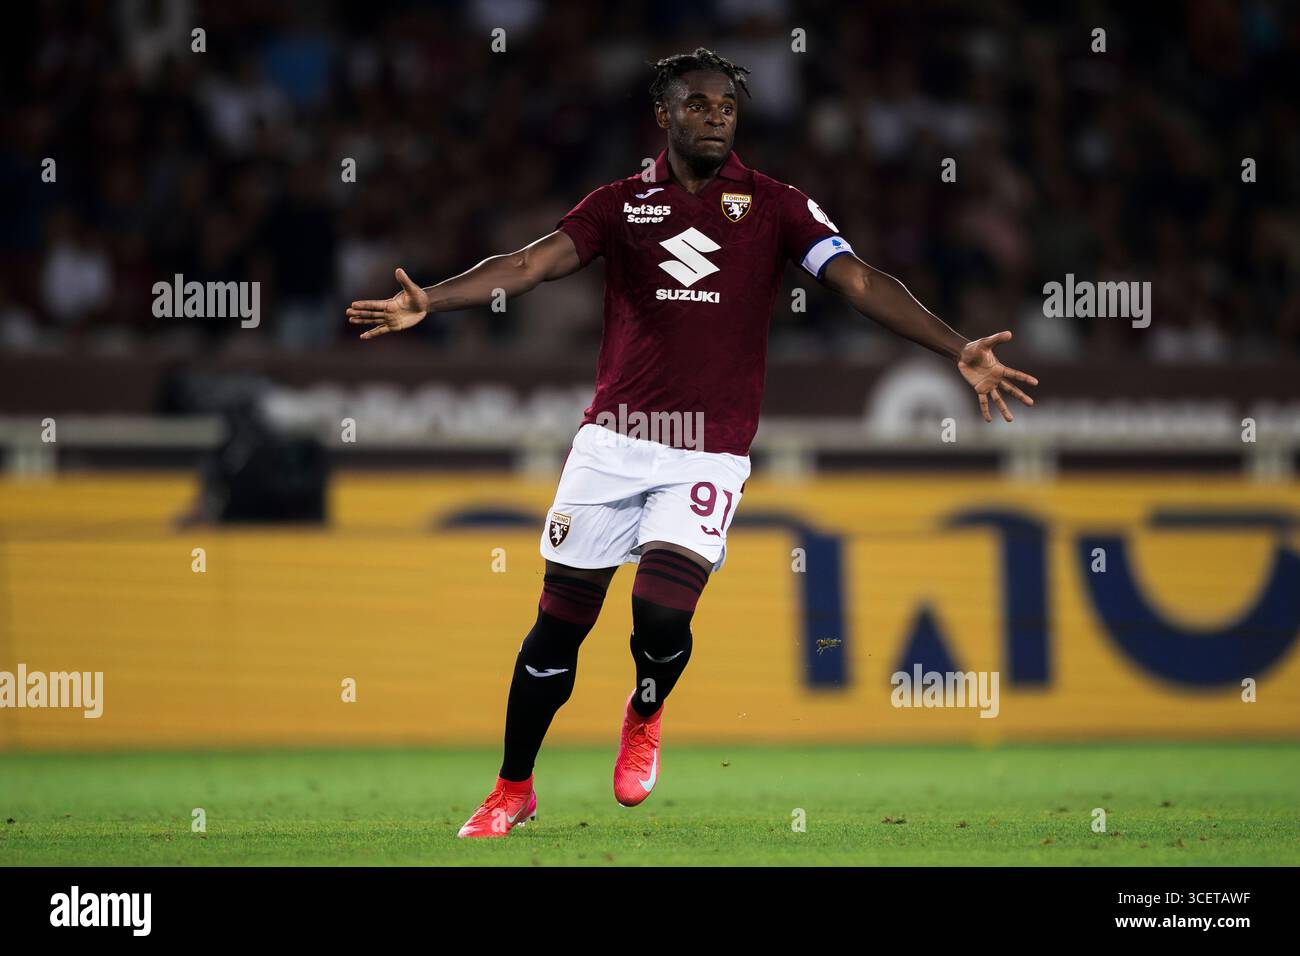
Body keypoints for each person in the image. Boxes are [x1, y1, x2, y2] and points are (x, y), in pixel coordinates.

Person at [345, 48, 1037, 838]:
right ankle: (513, 789)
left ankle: (645, 709)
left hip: (707, 452)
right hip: (611, 444)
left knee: (661, 613)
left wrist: (957, 349)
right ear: (664, 116)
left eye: (726, 107)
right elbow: (534, 264)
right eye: (698, 104)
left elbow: (858, 280)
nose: (714, 116)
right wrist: (432, 300)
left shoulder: (777, 206)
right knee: (558, 627)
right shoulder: (619, 204)